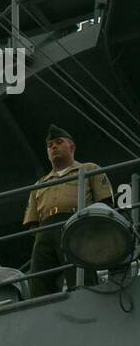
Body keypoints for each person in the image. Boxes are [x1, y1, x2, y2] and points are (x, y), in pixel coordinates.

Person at [23, 126, 114, 298]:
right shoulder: (40, 183)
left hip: (75, 223)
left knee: (79, 275)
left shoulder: (88, 169)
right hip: (45, 230)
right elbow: (32, 221)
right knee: (40, 279)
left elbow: (104, 203)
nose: (53, 147)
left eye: (58, 142)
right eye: (50, 145)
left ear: (71, 147)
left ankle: (88, 300)